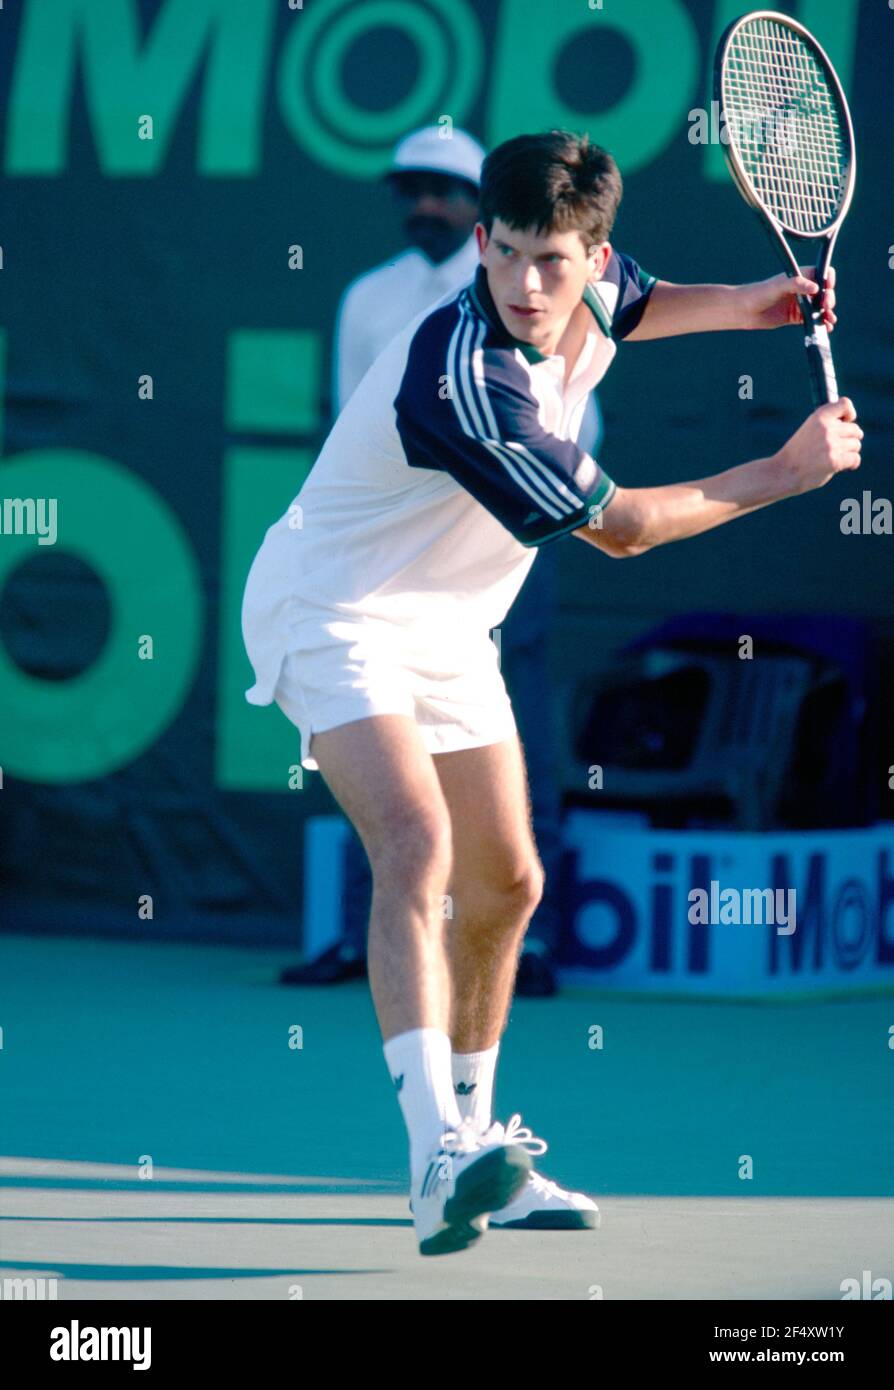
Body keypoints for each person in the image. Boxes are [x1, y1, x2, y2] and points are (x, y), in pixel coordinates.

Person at [242, 130, 857, 1255]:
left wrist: (754, 303)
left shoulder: (592, 281)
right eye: (511, 254)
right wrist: (784, 472)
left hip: (449, 621)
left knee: (512, 882)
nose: (531, 286)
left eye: (556, 262)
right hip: (332, 609)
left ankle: (482, 1143)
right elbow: (622, 532)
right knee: (417, 842)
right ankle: (433, 1155)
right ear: (481, 242)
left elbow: (646, 299)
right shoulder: (465, 374)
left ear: (592, 251)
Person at [284, 125, 592, 992]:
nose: (425, 204)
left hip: (507, 544)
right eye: (410, 188)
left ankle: (528, 943)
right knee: (371, 738)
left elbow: (565, 430)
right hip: (391, 563)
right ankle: (360, 938)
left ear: (485, 213)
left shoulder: (527, 288)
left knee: (515, 730)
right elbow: (357, 430)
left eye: (444, 189)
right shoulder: (367, 299)